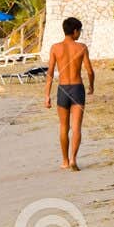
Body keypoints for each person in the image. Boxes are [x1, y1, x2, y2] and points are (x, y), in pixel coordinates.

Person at [44, 17, 93, 170]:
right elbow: (90, 71)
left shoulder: (55, 48)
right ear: (75, 31)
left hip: (63, 89)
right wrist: (92, 86)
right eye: (80, 31)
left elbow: (50, 73)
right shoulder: (82, 48)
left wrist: (47, 95)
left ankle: (65, 161)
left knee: (64, 127)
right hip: (77, 88)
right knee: (77, 127)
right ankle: (73, 160)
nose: (80, 34)